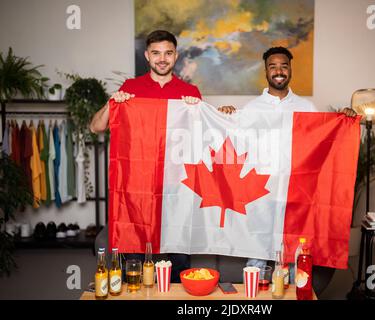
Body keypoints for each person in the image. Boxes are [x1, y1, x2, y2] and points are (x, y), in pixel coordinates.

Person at [217, 46, 356, 281]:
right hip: (261, 194)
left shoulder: (306, 108)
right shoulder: (251, 110)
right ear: (266, 72)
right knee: (257, 254)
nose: (278, 71)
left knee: (294, 254)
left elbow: (323, 143)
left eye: (284, 66)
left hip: (296, 193)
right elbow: (234, 146)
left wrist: (344, 121)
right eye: (273, 66)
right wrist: (224, 116)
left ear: (290, 70)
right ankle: (255, 301)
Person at [90, 29, 201, 282]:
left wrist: (202, 113)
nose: (162, 59)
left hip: (176, 193)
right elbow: (95, 127)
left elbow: (207, 142)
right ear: (147, 56)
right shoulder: (130, 89)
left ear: (176, 56)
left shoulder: (190, 93)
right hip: (135, 194)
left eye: (168, 53)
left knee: (177, 267)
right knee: (135, 269)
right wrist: (113, 103)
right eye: (156, 53)